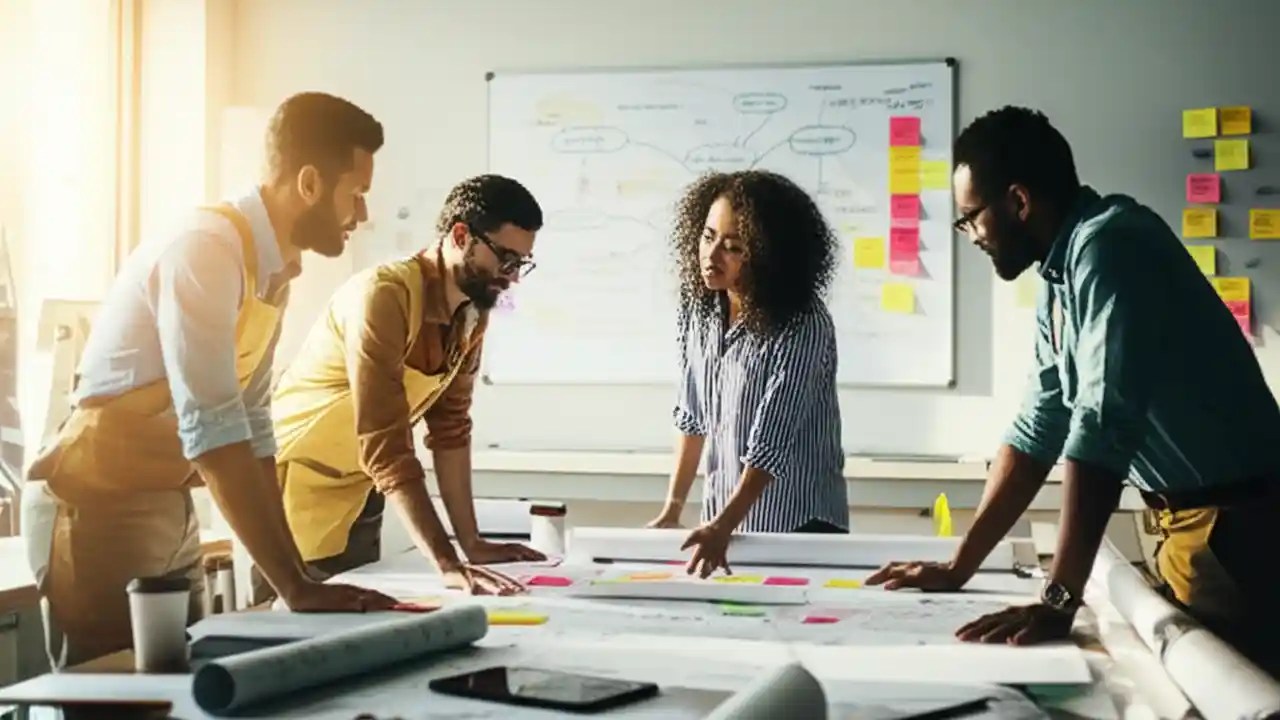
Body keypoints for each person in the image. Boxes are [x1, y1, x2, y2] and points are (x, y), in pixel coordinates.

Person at [865, 106, 1280, 678]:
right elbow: (1038, 428)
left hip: (1241, 530)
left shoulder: (1111, 247)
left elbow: (1101, 425)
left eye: (971, 218)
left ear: (1018, 201)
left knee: (1239, 695)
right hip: (1188, 529)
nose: (972, 236)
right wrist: (959, 566)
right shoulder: (1060, 275)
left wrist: (1059, 600)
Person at [23, 91, 400, 668]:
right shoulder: (208, 248)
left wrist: (297, 578)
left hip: (170, 500)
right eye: (357, 193)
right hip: (98, 508)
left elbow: (255, 428)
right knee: (118, 696)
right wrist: (294, 587)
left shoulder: (274, 272)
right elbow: (215, 431)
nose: (362, 214)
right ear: (308, 184)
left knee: (184, 688)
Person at [261, 174, 546, 600]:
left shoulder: (471, 314)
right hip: (294, 491)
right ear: (461, 236)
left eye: (520, 263)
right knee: (292, 628)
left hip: (362, 490)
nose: (512, 277)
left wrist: (471, 544)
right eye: (505, 258)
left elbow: (450, 429)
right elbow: (386, 445)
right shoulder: (383, 296)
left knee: (364, 624)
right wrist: (448, 564)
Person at [646, 170, 849, 578]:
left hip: (801, 528)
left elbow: (771, 441)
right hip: (723, 526)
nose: (711, 255)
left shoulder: (802, 322)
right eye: (708, 237)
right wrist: (673, 509)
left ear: (768, 254)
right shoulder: (699, 310)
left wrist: (724, 523)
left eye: (733, 246)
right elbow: (692, 416)